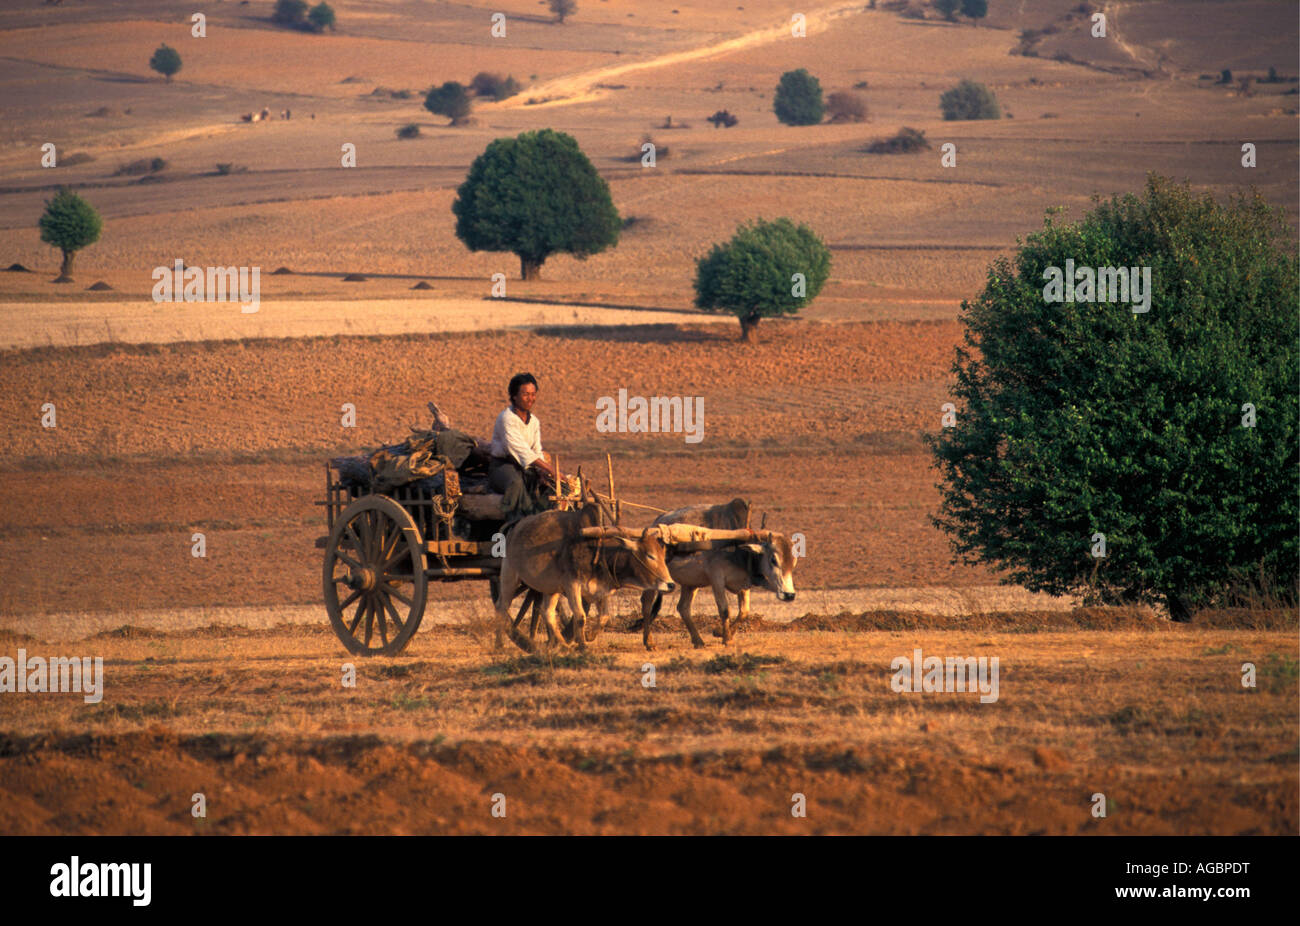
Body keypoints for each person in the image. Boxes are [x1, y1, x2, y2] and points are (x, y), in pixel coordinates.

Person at [489, 373, 564, 519]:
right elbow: (521, 450)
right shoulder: (507, 418)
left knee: (549, 486)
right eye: (525, 394)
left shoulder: (534, 421)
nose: (530, 399)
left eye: (533, 394)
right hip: (502, 466)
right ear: (514, 396)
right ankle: (514, 523)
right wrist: (551, 469)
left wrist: (543, 473)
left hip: (525, 468)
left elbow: (536, 449)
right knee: (515, 484)